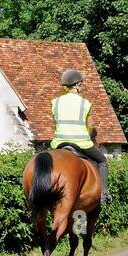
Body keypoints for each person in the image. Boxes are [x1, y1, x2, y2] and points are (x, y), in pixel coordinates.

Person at [50, 68, 111, 205]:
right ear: (77, 85)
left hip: (58, 143)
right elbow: (90, 128)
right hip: (81, 143)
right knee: (102, 161)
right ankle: (104, 194)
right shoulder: (85, 104)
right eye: (80, 84)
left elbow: (55, 124)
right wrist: (93, 133)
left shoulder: (55, 103)